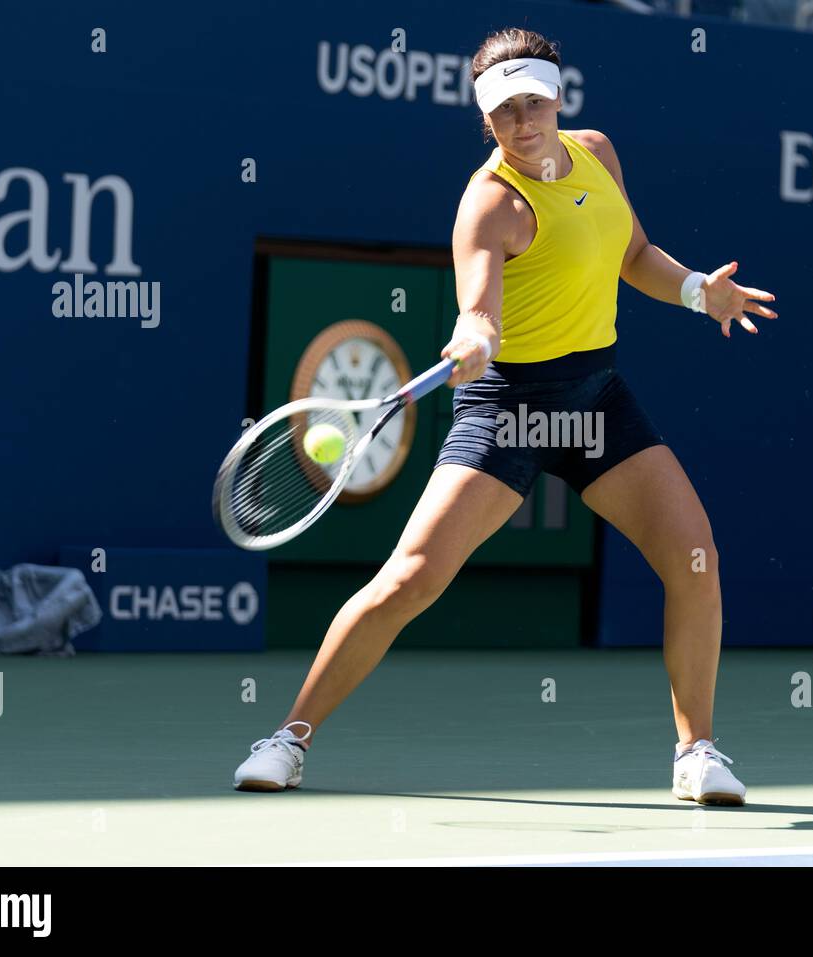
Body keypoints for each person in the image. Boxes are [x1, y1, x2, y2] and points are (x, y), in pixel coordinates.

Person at [233, 27, 776, 806]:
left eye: (533, 102)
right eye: (503, 111)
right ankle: (287, 737)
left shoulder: (598, 154)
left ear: (559, 96)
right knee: (411, 578)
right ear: (484, 120)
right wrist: (474, 335)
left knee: (695, 557)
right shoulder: (490, 203)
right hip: (511, 407)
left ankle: (696, 753)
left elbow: (632, 254)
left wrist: (698, 291)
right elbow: (478, 305)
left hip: (595, 399)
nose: (522, 123)